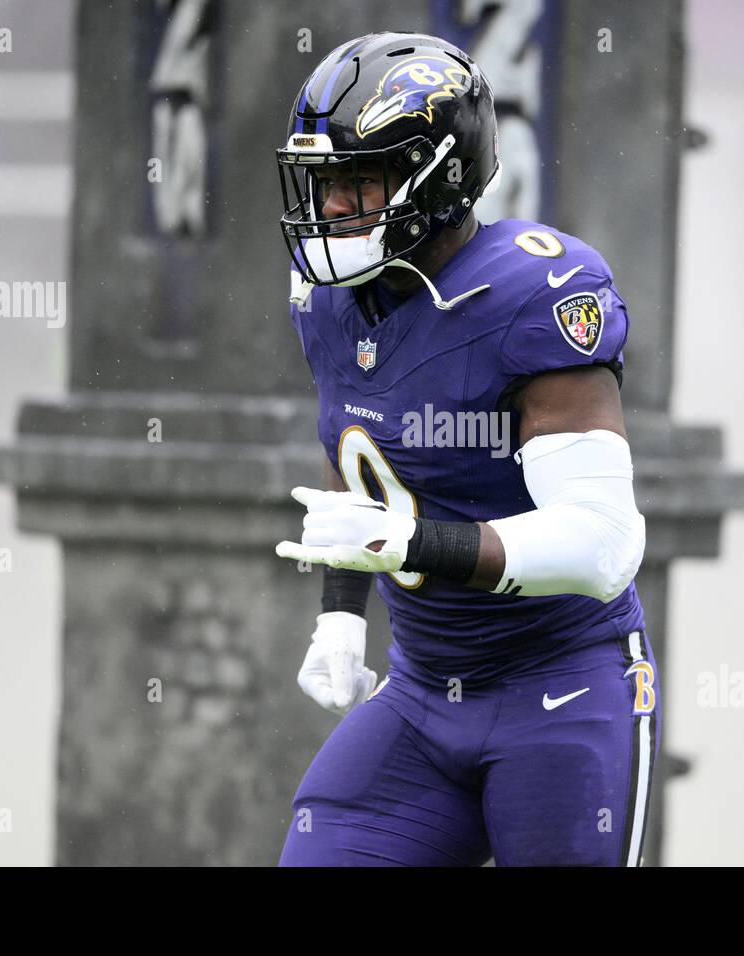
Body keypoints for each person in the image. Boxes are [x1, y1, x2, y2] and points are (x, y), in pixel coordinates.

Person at [274, 30, 658, 866]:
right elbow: (362, 450)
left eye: (356, 179)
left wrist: (413, 545)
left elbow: (603, 543)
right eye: (322, 181)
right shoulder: (330, 298)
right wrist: (341, 615)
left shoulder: (533, 294)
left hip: (561, 689)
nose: (332, 205)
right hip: (420, 694)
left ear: (436, 175)